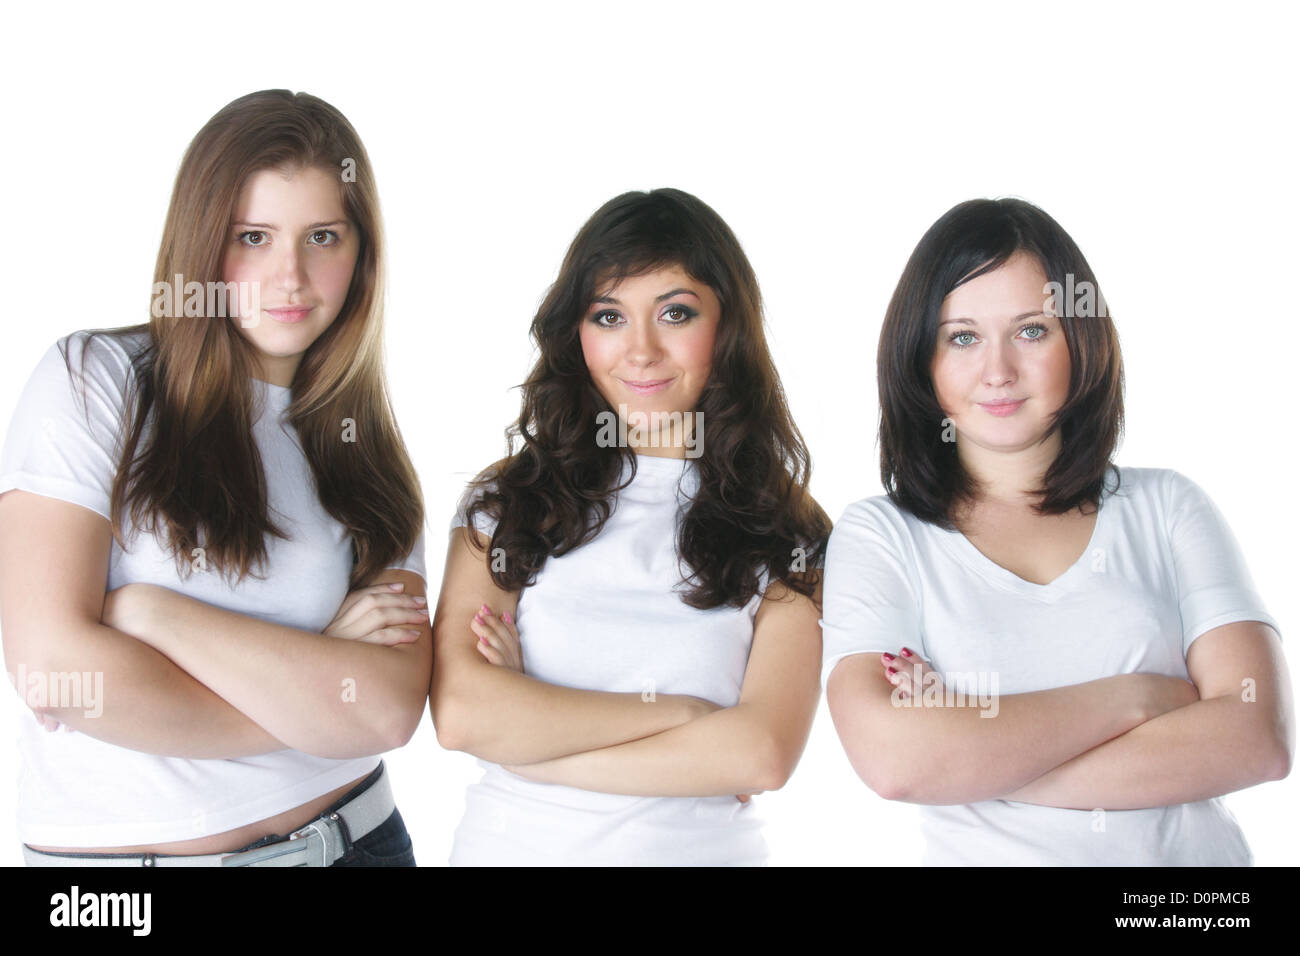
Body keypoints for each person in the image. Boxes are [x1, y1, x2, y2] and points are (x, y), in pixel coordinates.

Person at [0, 89, 431, 867]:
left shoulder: (362, 444)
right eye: (253, 237)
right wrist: (316, 688)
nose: (290, 276)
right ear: (201, 241)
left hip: (356, 843)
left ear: (362, 252)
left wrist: (153, 615)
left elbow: (390, 709)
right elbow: (55, 673)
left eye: (323, 237)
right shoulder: (96, 382)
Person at [822, 197, 1293, 865]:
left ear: (1081, 339)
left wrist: (975, 763)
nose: (998, 371)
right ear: (920, 360)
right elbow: (897, 763)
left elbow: (1259, 739)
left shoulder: (1170, 508)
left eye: (1032, 330)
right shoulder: (881, 536)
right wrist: (1138, 698)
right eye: (962, 337)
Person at [431, 188, 830, 865]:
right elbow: (464, 716)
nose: (640, 351)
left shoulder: (785, 527)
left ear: (727, 326)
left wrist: (535, 738)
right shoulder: (511, 502)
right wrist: (684, 718)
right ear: (576, 333)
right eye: (609, 316)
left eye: (675, 313)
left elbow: (760, 755)